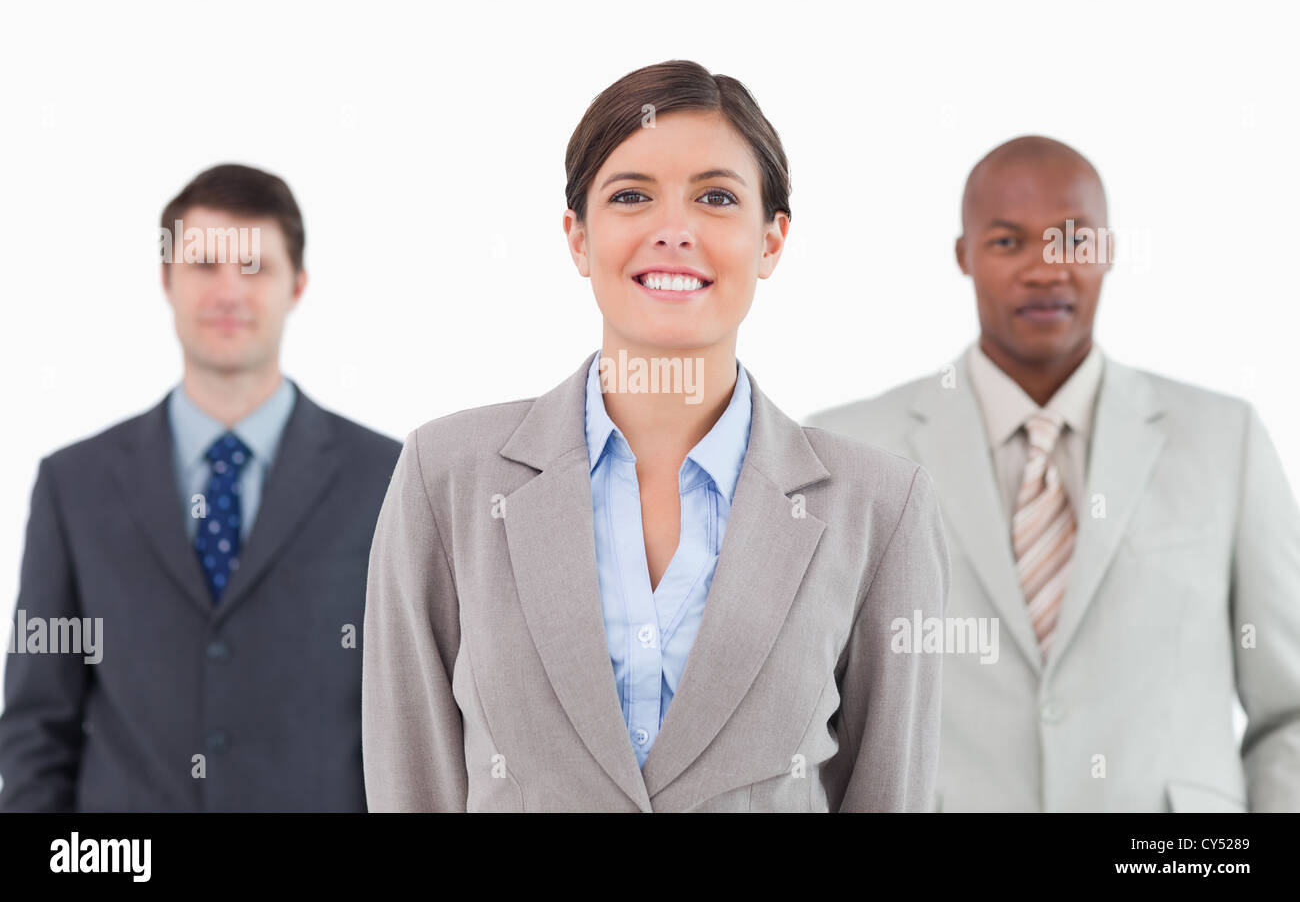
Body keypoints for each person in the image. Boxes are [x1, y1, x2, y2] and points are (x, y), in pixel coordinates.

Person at [362, 60, 950, 812]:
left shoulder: (881, 509)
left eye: (715, 197)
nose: (673, 231)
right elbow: (410, 784)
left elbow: (890, 795)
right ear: (578, 237)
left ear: (771, 242)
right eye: (632, 196)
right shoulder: (446, 480)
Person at [808, 135, 1300, 811]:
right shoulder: (851, 447)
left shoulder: (1224, 441)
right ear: (965, 255)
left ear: (1109, 250)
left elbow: (1291, 710)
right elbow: (804, 722)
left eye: (1073, 241)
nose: (1045, 269)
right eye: (1009, 242)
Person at [0, 164, 401, 811]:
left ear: (297, 285)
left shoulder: (389, 479)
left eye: (254, 268)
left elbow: (415, 720)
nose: (227, 293)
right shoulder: (72, 486)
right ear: (167, 279)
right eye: (205, 264)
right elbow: (35, 723)